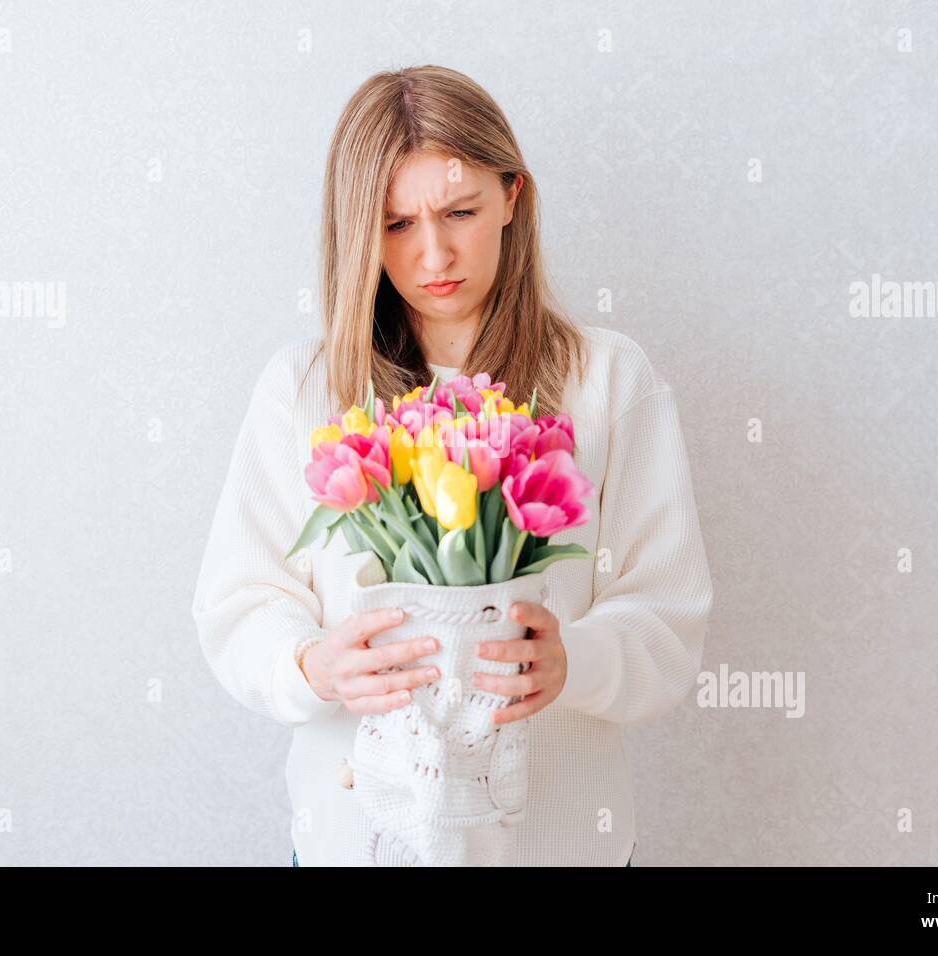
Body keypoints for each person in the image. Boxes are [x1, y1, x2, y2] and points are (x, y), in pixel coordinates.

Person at [192, 65, 713, 867]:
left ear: (513, 197)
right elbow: (239, 601)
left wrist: (577, 660)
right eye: (396, 225)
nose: (434, 252)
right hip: (354, 845)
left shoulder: (609, 381)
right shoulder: (301, 390)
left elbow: (667, 615)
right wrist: (312, 665)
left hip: (561, 847)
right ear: (358, 232)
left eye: (460, 211)